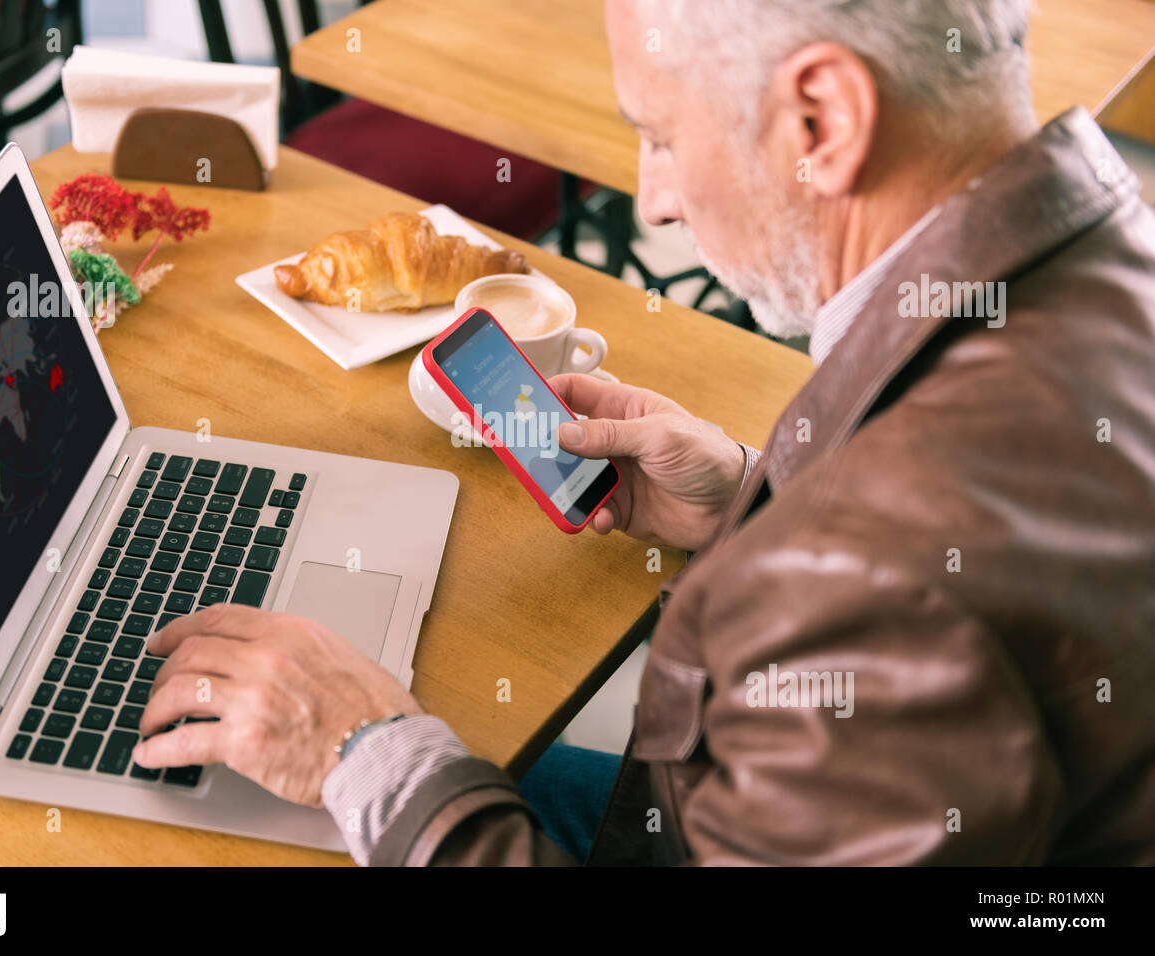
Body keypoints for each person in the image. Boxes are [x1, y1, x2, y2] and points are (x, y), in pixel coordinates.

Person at [132, 0, 1155, 865]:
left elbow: (904, 583)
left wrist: (364, 748)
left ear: (824, 119)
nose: (653, 202)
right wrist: (748, 502)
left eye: (660, 137)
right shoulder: (1110, 254)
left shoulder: (873, 585)